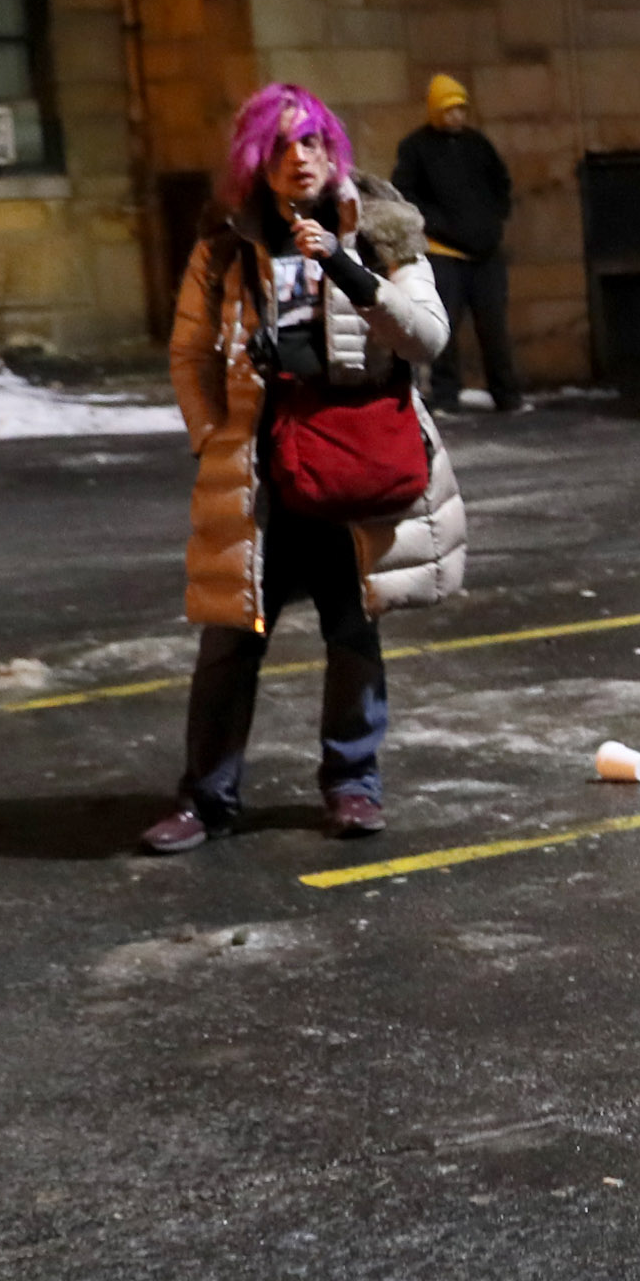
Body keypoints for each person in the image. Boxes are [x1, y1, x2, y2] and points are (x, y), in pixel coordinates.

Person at [142, 85, 466, 854]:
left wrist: (349, 270)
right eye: (283, 144)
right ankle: (206, 797)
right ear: (259, 157)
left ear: (334, 149)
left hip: (351, 461)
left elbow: (428, 337)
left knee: (351, 627)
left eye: (314, 141)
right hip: (258, 469)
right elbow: (189, 352)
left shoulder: (382, 227)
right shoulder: (225, 242)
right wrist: (209, 437)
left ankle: (352, 784)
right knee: (229, 639)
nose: (301, 157)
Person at [391, 72, 523, 416]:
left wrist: (495, 218)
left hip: (485, 251)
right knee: (444, 326)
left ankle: (507, 394)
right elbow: (406, 193)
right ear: (435, 111)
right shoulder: (416, 147)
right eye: (449, 110)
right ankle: (446, 395)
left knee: (493, 325)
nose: (456, 117)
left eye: (461, 109)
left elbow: (500, 182)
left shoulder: (477, 144)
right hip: (444, 252)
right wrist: (438, 225)